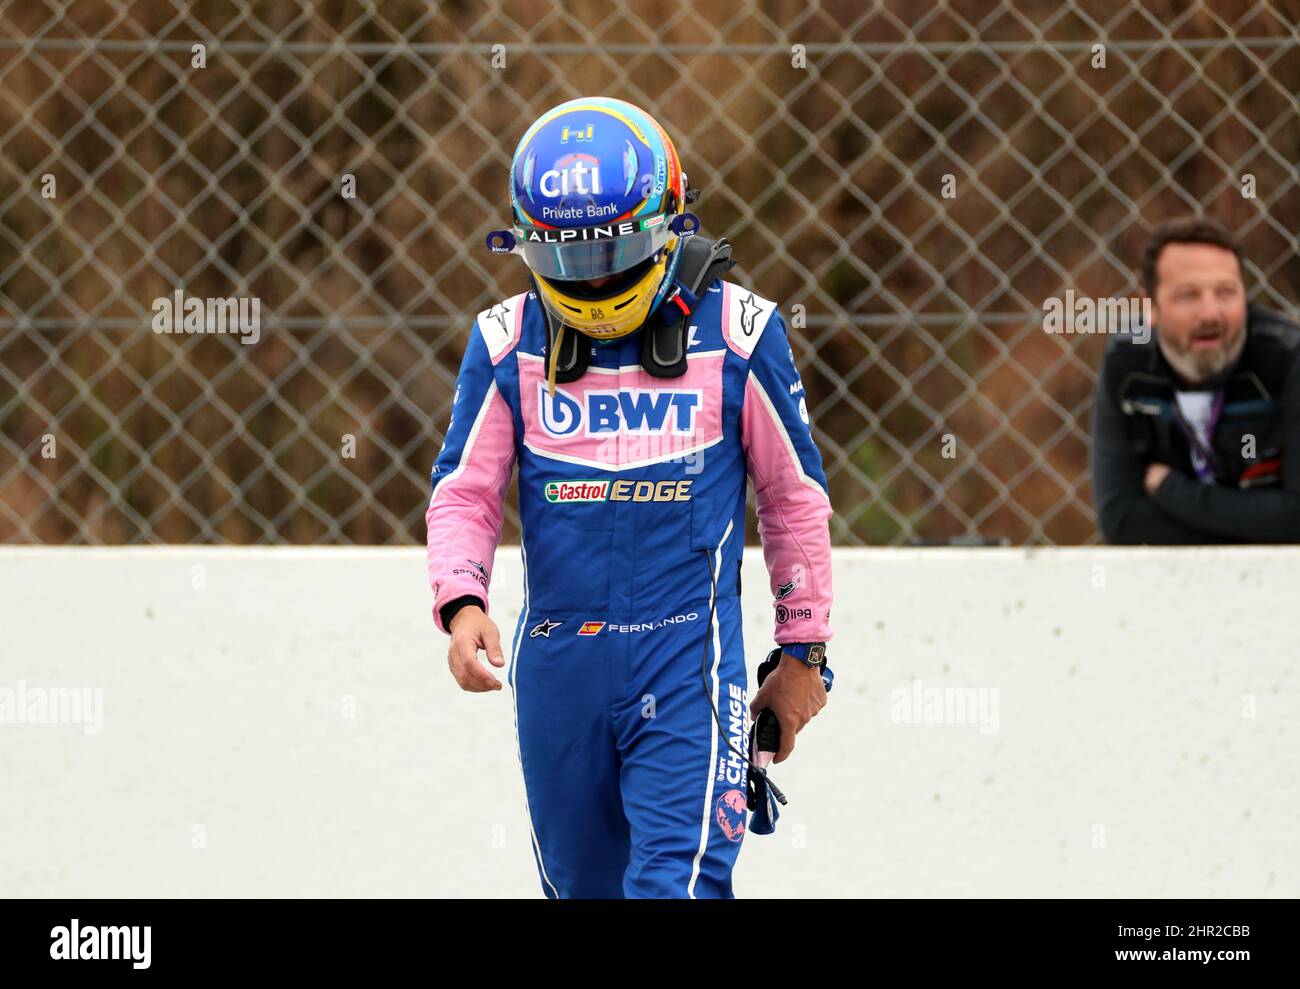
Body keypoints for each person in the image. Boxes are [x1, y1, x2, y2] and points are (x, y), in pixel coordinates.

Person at [424, 97, 835, 898]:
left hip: (687, 660)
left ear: (670, 222)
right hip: (557, 667)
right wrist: (461, 600)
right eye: (571, 259)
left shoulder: (744, 331)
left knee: (674, 886)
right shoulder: (505, 340)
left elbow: (793, 499)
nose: (596, 279)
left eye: (613, 251)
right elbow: (464, 491)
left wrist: (804, 650)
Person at [1091, 215, 1300, 543]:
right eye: (1189, 295)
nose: (1210, 313)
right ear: (1150, 307)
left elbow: (1295, 518)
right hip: (1173, 581)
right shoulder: (1128, 364)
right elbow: (1121, 520)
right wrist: (1254, 522)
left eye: (1226, 293)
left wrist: (1170, 490)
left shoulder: (1288, 358)